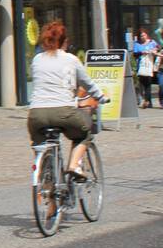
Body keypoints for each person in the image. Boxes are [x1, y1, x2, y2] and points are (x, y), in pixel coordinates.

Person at [27, 21, 106, 180]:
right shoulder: (71, 59)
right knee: (84, 133)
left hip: (36, 115)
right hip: (63, 111)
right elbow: (87, 83)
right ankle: (74, 166)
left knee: (41, 147)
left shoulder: (36, 59)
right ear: (64, 41)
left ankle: (44, 176)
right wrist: (101, 96)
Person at [132, 29, 158, 109]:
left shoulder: (152, 42)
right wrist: (141, 53)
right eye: (141, 36)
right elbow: (135, 54)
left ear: (147, 35)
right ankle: (145, 100)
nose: (142, 37)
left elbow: (158, 49)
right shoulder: (137, 44)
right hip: (140, 66)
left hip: (150, 65)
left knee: (148, 84)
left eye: (144, 35)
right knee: (142, 84)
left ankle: (148, 101)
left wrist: (154, 51)